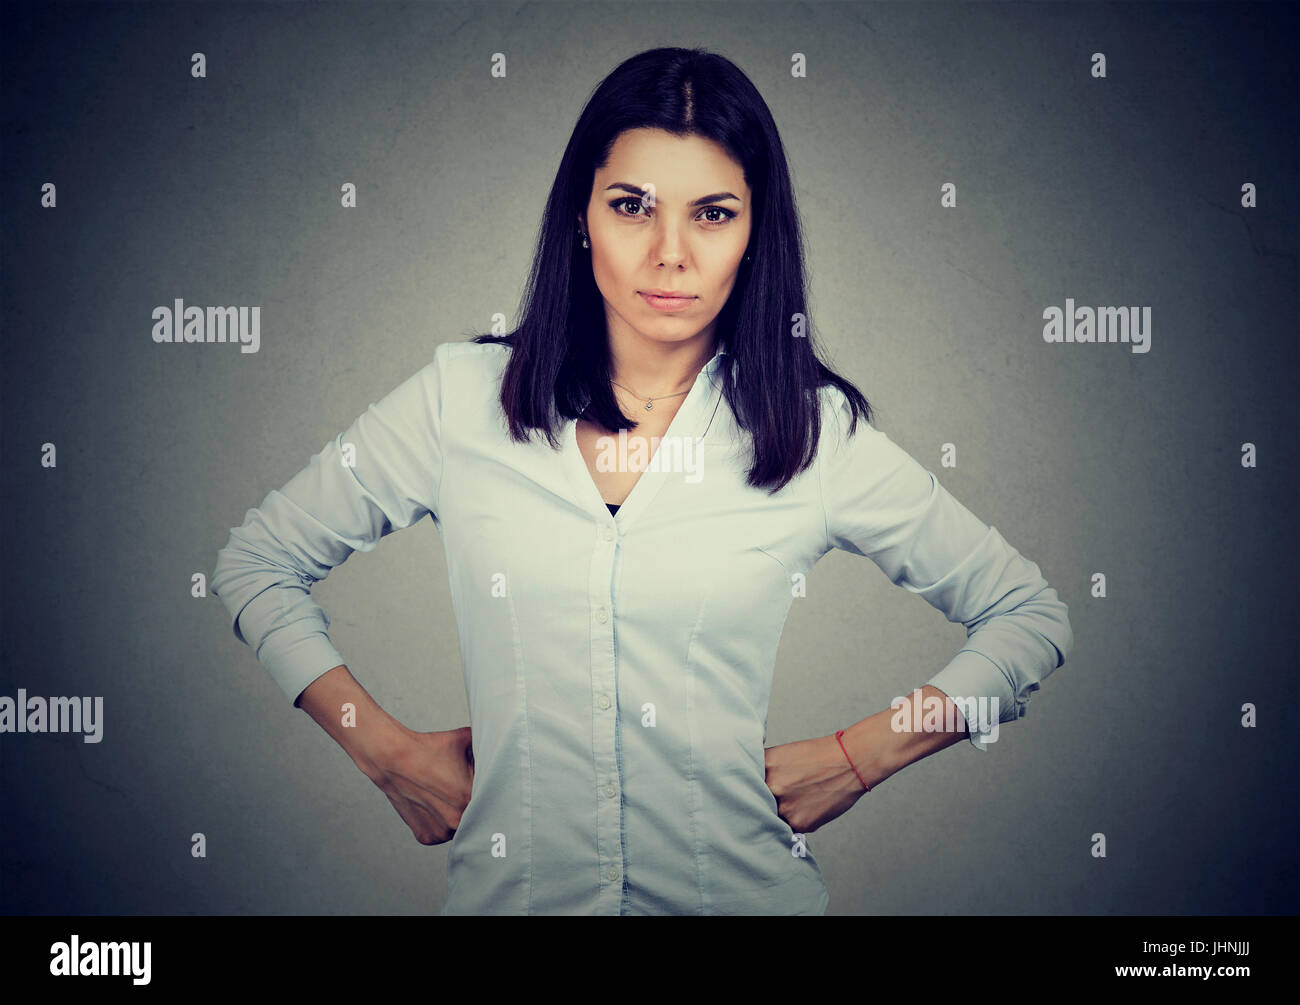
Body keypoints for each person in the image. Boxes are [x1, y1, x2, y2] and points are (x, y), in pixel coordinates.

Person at [211, 46, 1073, 915]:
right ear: (582, 214)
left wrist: (862, 753)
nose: (670, 254)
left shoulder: (811, 429)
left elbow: (1027, 614)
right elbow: (258, 560)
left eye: (712, 213)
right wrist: (385, 752)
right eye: (632, 206)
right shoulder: (458, 401)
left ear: (753, 229)